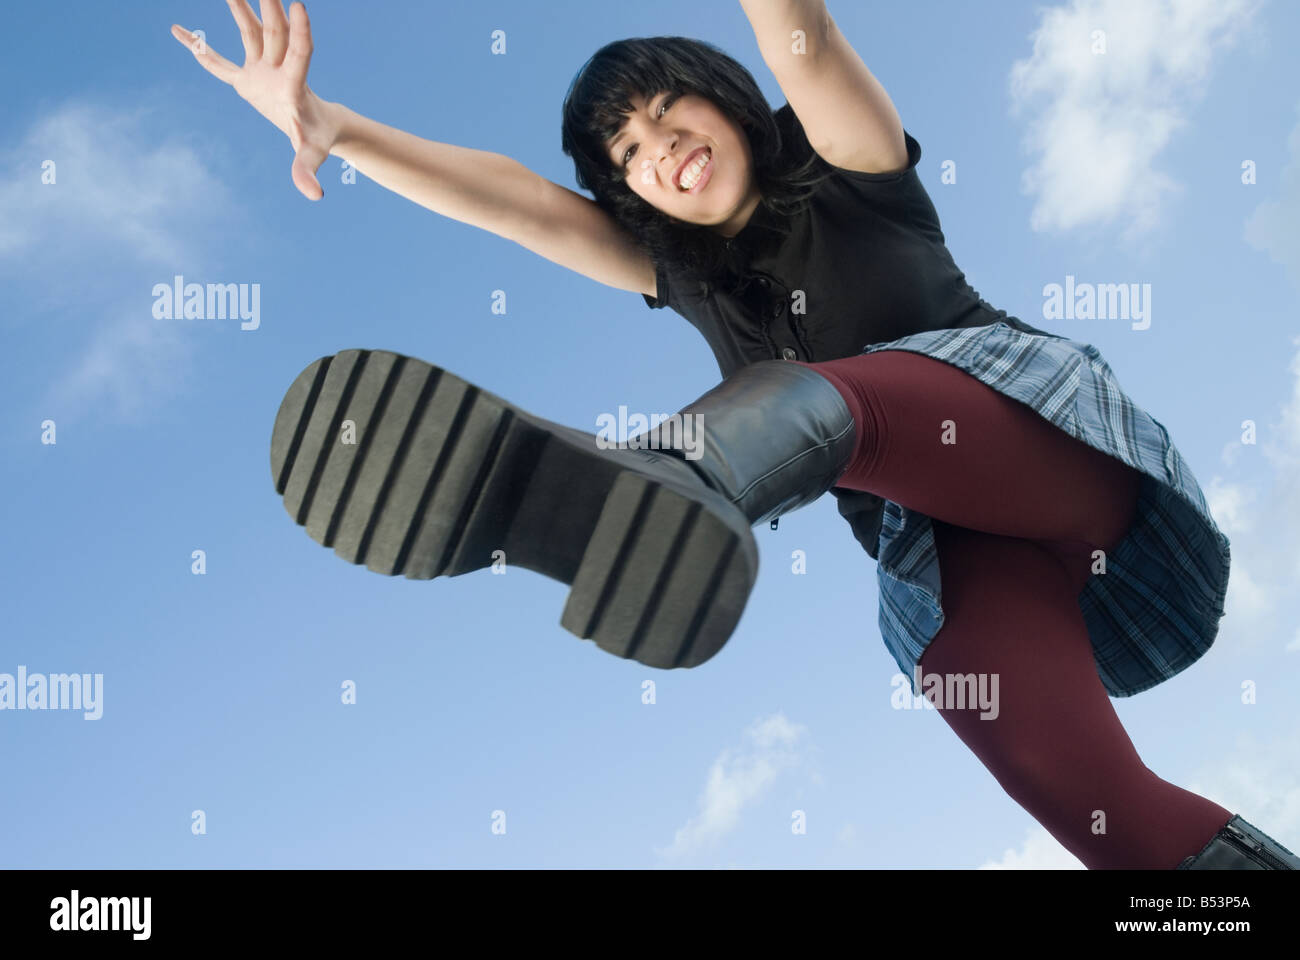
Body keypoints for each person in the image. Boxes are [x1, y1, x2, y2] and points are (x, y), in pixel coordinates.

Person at [174, 0, 1298, 870]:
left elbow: (799, 39)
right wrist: (334, 127)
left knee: (816, 401)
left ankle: (669, 478)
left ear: (727, 101)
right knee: (1095, 808)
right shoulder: (676, 274)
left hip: (1041, 443)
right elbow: (513, 201)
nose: (660, 149)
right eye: (629, 156)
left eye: (672, 114)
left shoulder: (852, 169)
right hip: (938, 549)